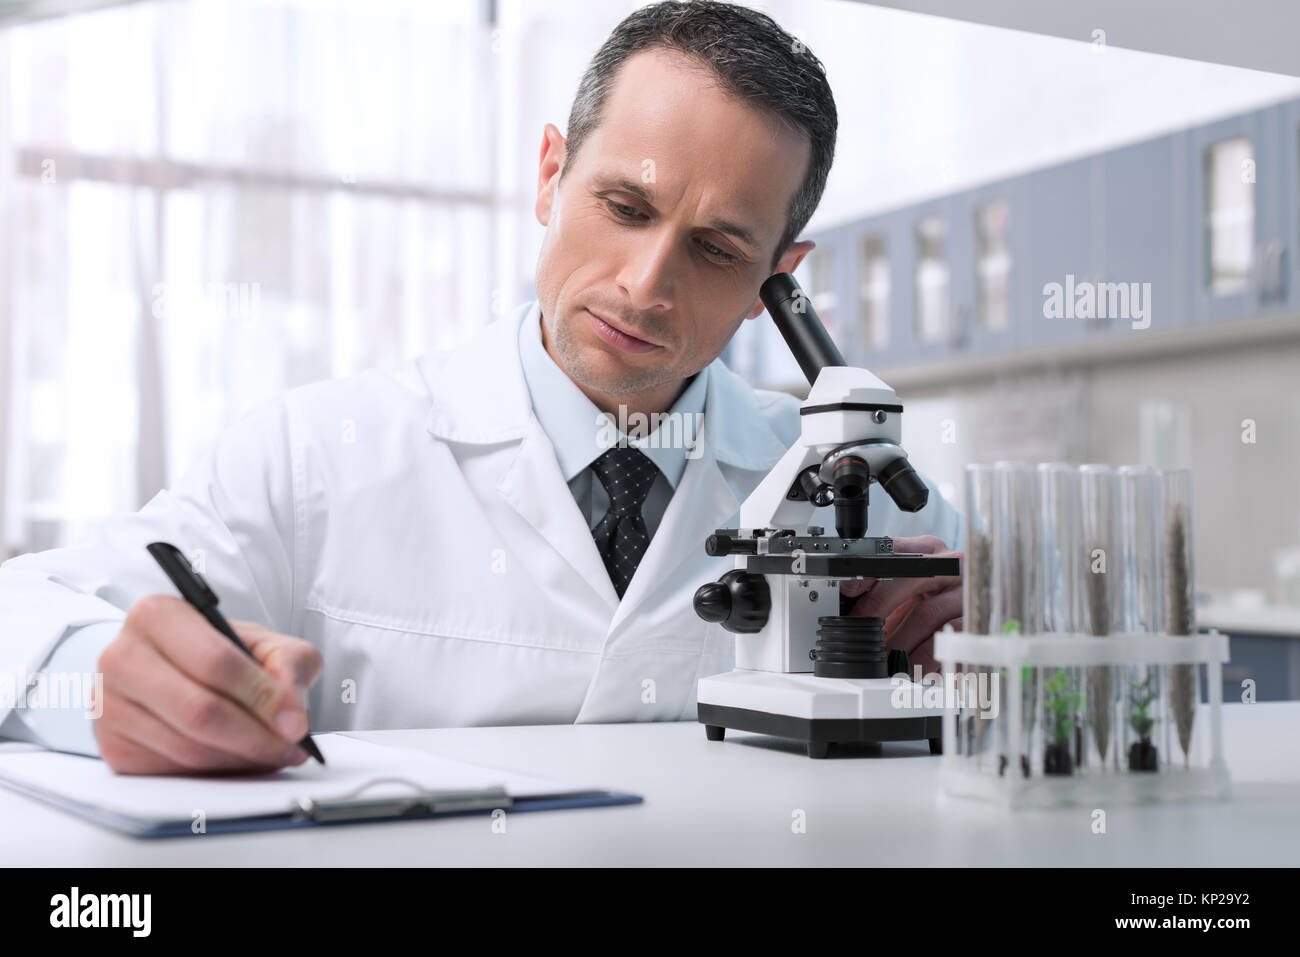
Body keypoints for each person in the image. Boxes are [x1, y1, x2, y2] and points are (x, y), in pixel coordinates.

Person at [0, 0, 964, 775]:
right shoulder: (313, 454)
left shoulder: (846, 478)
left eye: (715, 250)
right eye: (624, 207)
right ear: (550, 175)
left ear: (776, 279)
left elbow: (1026, 642)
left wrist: (968, 668)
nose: (646, 283)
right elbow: (24, 614)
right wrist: (104, 686)